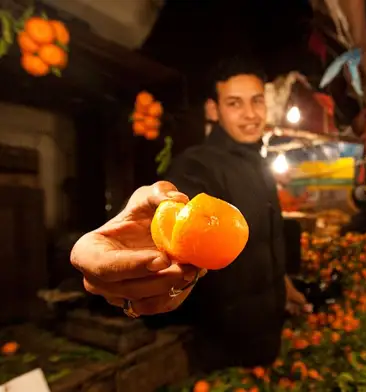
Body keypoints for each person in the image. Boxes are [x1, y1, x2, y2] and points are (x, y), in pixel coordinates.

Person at [71, 57, 310, 371]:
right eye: (235, 103)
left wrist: (283, 287)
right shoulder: (198, 164)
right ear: (213, 110)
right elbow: (178, 212)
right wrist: (144, 246)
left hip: (266, 334)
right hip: (221, 346)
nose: (250, 114)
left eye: (256, 101)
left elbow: (263, 243)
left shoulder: (260, 166)